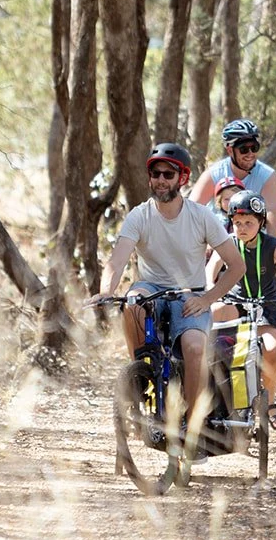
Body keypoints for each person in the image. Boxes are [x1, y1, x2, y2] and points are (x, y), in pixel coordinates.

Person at [93, 143, 246, 422]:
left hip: (191, 295)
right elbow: (116, 261)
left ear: (182, 178)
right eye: (156, 174)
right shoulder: (140, 215)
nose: (161, 180)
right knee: (133, 303)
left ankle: (191, 424)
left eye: (168, 174)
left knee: (194, 348)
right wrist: (106, 291)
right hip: (152, 287)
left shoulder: (201, 216)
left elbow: (237, 265)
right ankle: (140, 373)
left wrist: (207, 299)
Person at [209, 191, 276, 429]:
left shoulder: (273, 246)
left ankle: (270, 401)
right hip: (235, 303)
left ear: (261, 223)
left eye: (249, 223)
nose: (242, 228)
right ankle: (214, 392)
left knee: (273, 348)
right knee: (212, 321)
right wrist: (208, 291)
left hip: (265, 306)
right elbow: (211, 269)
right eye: (237, 223)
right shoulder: (227, 244)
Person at [192, 119, 276, 236]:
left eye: (254, 147)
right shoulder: (214, 174)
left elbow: (272, 213)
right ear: (230, 150)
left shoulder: (268, 176)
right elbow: (191, 210)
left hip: (251, 242)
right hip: (215, 240)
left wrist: (270, 250)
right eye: (244, 149)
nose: (250, 154)